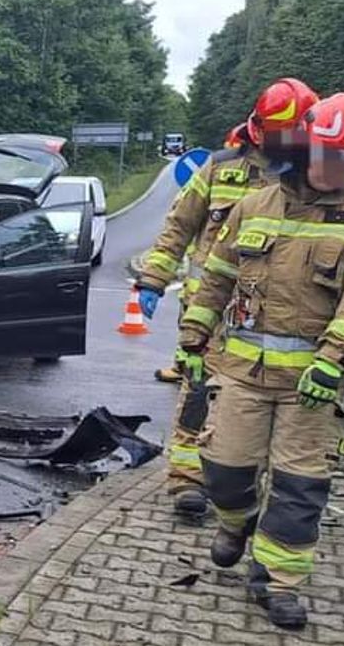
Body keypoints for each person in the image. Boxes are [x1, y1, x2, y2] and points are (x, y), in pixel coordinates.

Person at [177, 91, 344, 630]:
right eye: (326, 155)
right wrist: (195, 331)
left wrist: (334, 359)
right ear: (303, 149)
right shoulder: (254, 206)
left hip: (310, 386)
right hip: (242, 374)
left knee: (299, 487)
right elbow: (218, 277)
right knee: (224, 472)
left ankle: (278, 581)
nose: (333, 169)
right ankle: (238, 523)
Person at [135, 78, 318, 518]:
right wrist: (153, 280)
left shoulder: (317, 176)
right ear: (257, 129)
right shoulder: (219, 169)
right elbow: (178, 227)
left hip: (278, 316)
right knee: (198, 389)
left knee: (267, 401)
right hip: (209, 311)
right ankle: (186, 482)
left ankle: (250, 484)